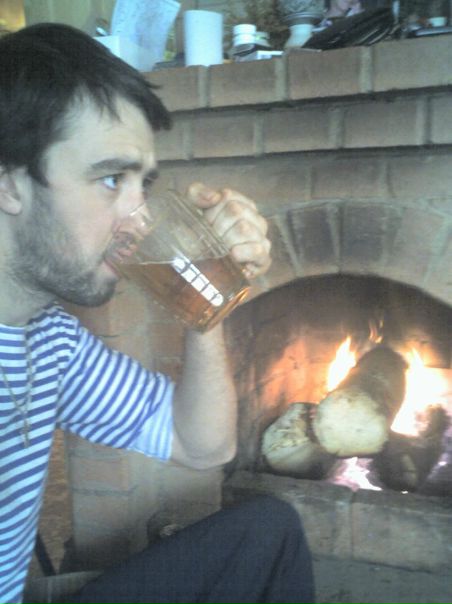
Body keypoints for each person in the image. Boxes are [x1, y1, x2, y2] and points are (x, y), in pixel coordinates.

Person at [0, 22, 315, 604]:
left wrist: (206, 291)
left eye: (143, 185)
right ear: (10, 184)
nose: (140, 219)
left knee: (269, 531)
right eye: (110, 179)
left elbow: (203, 445)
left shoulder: (49, 340)